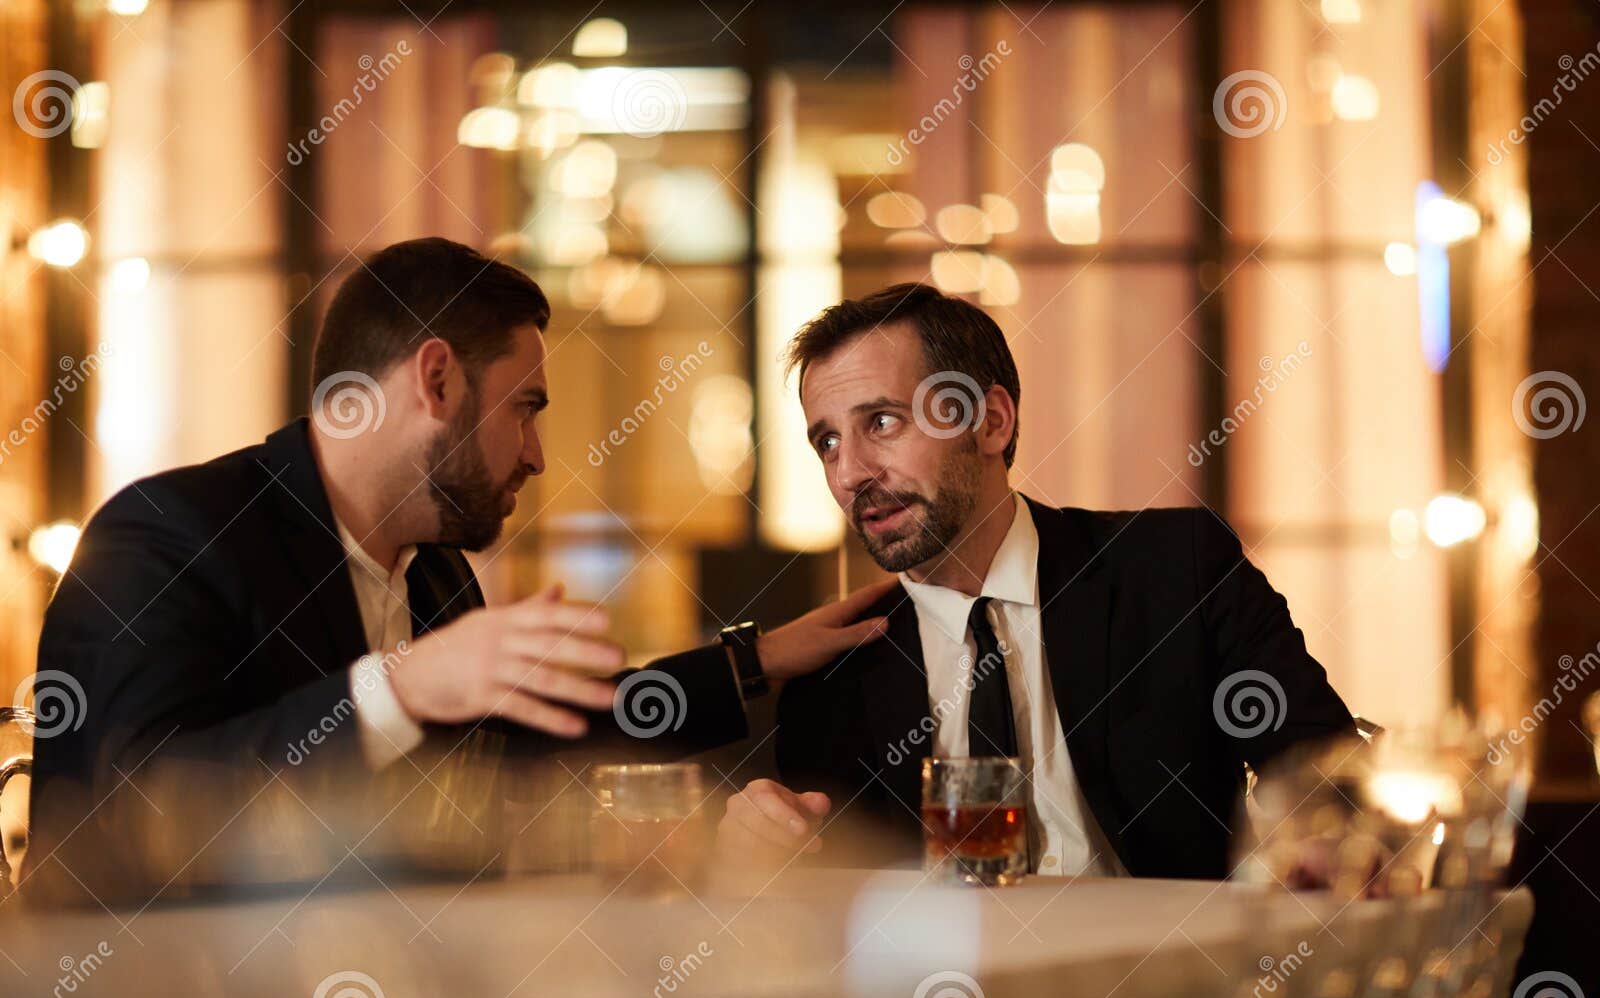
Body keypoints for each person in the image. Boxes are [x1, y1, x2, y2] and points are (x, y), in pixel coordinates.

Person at [24, 237, 888, 904]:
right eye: (527, 408)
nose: (539, 455)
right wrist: (400, 687)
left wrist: (753, 659)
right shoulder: (167, 533)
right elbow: (125, 809)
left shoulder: (436, 578)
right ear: (436, 379)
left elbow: (523, 745)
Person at [717, 283, 1356, 880]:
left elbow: (1330, 779)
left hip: (1182, 978)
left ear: (991, 421)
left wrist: (1323, 845)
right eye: (826, 442)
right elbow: (841, 918)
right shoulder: (834, 679)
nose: (849, 472)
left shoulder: (1174, 571)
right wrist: (765, 857)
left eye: (881, 422)